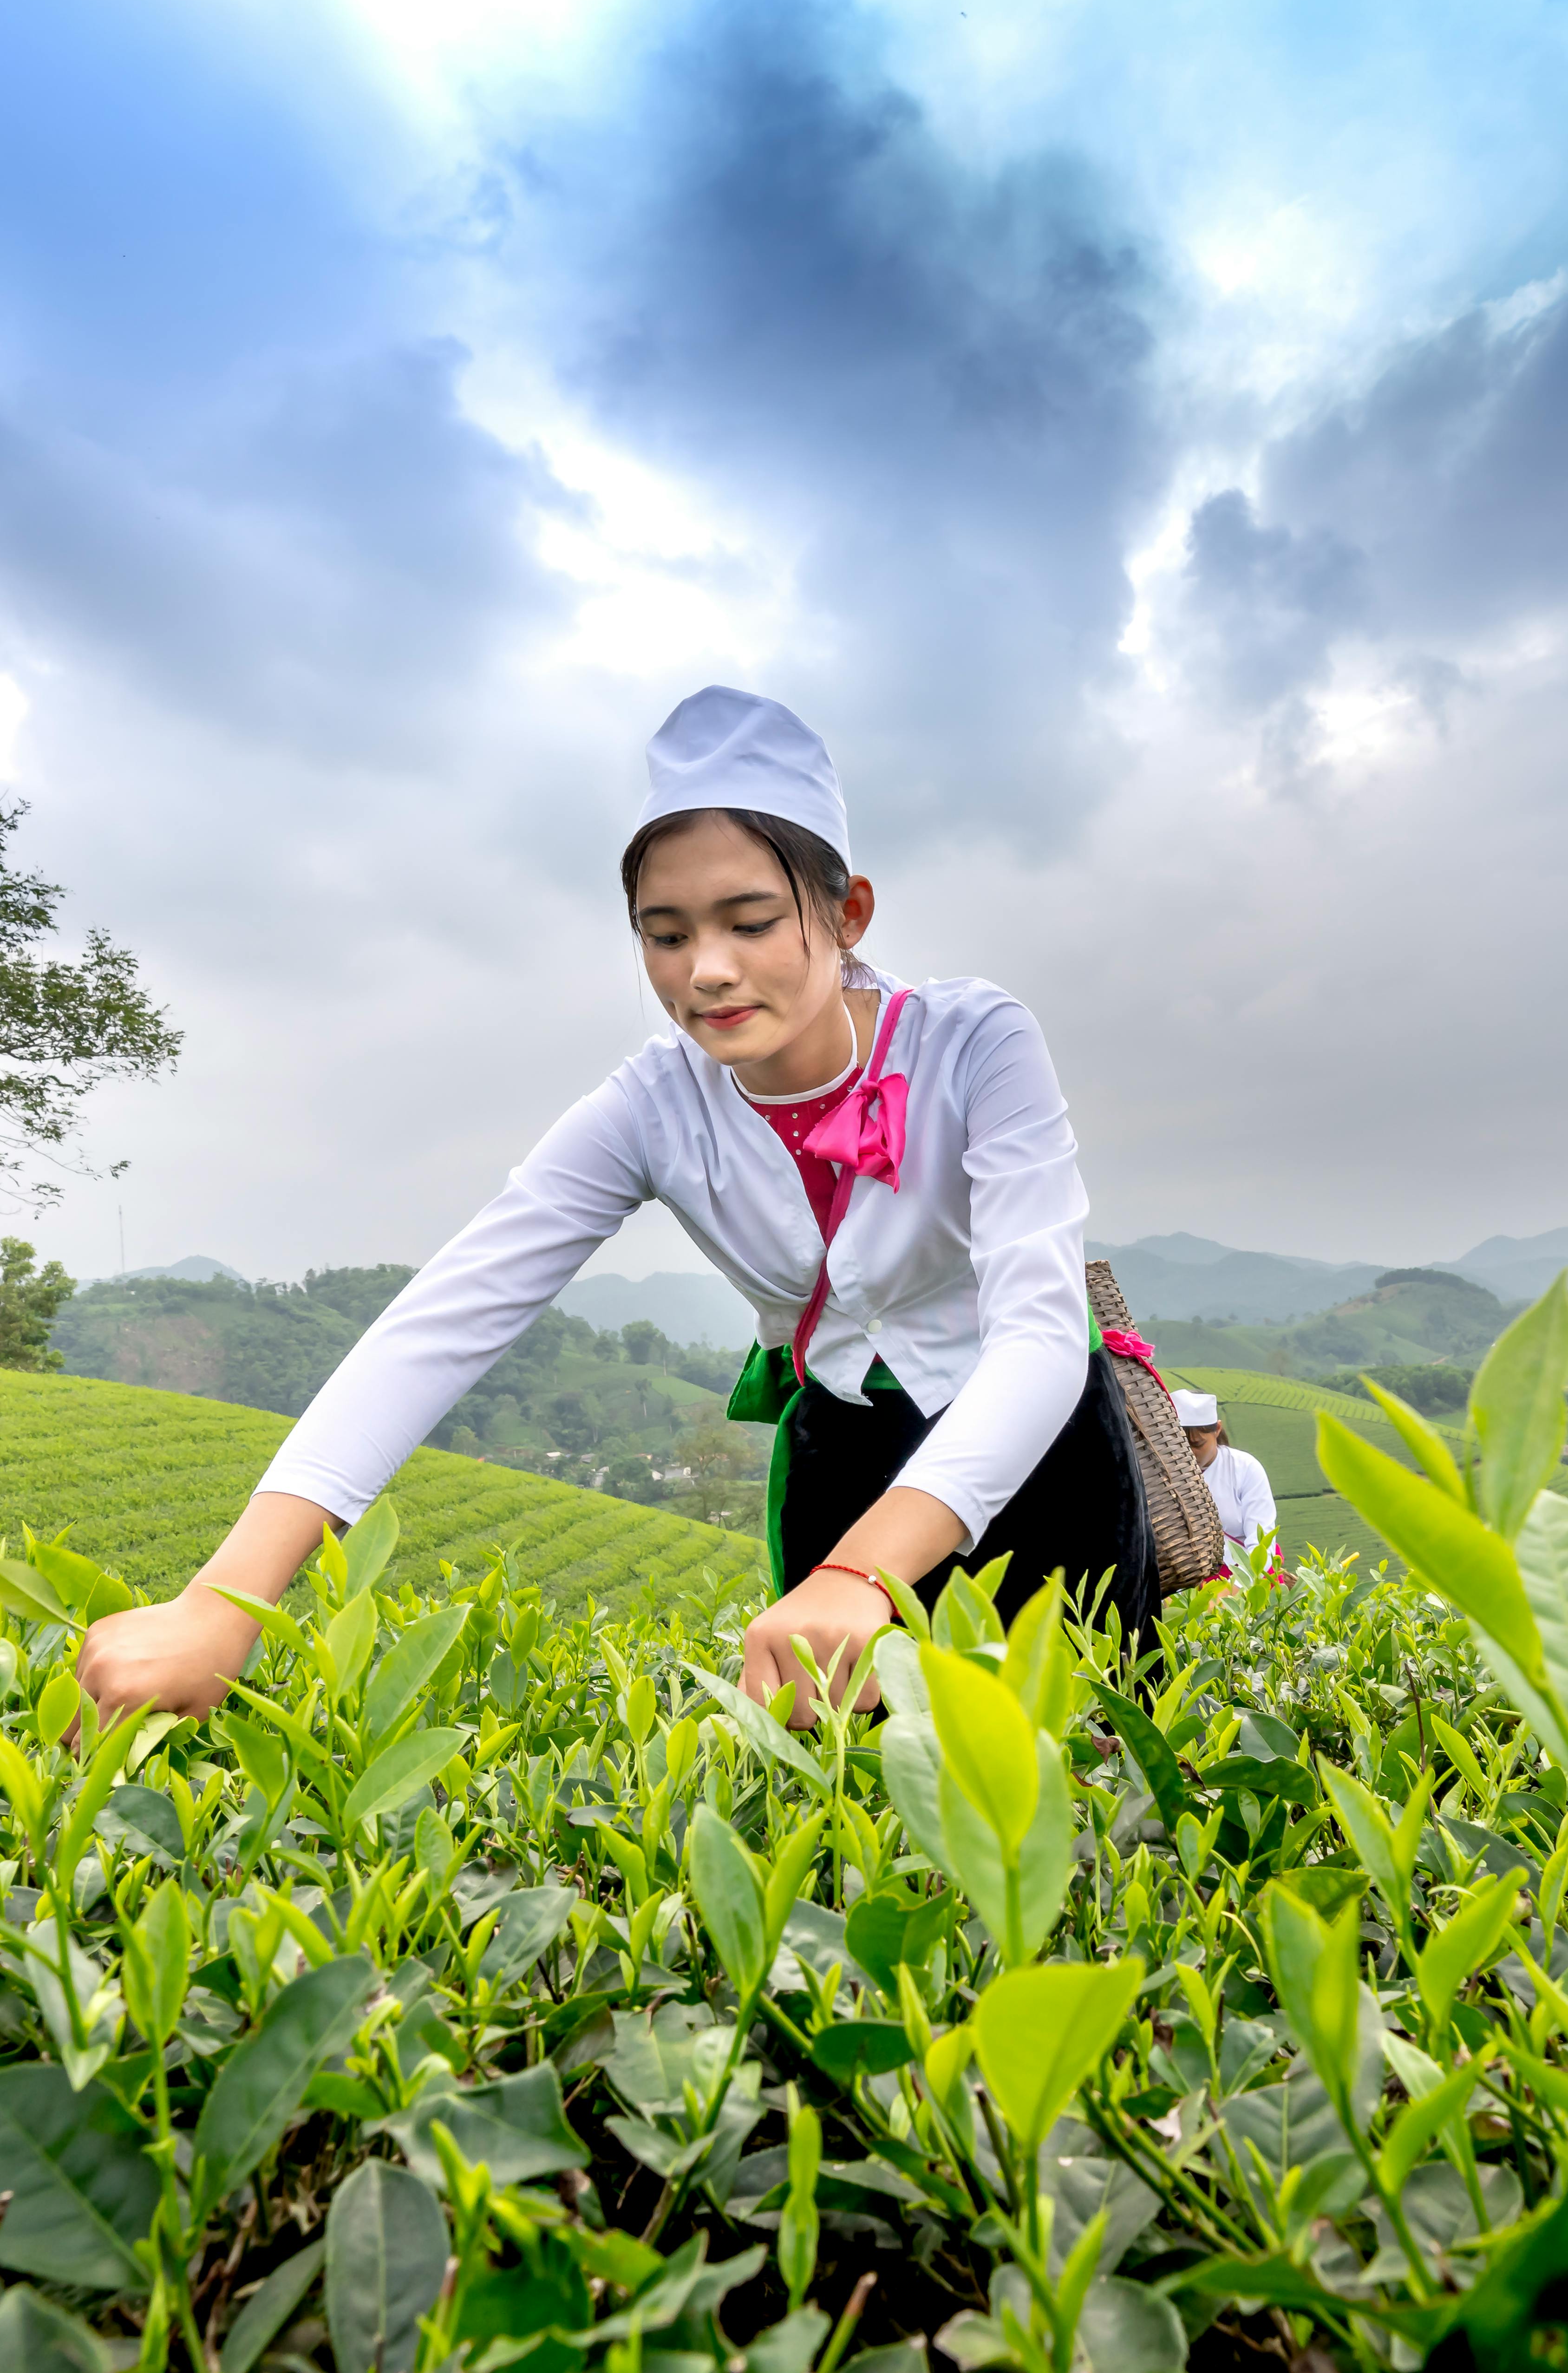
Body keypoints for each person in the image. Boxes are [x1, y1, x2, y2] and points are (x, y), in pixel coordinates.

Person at [73, 686, 1156, 1728]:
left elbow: (1037, 1336)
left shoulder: (974, 1042)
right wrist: (222, 1601)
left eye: (751, 921)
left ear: (845, 912)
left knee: (1096, 1775)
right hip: (847, 1458)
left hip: (1038, 1457)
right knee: (863, 1794)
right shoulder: (651, 1105)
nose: (709, 973)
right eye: (668, 934)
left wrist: (857, 1573)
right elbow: (447, 1319)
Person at [1176, 1390, 1279, 1556]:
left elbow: (1262, 1540)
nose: (1190, 1453)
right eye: (1182, 1445)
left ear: (1217, 1429)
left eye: (1198, 1444)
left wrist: (1243, 1581)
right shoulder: (1165, 1477)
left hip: (1244, 1571)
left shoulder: (1245, 1468)